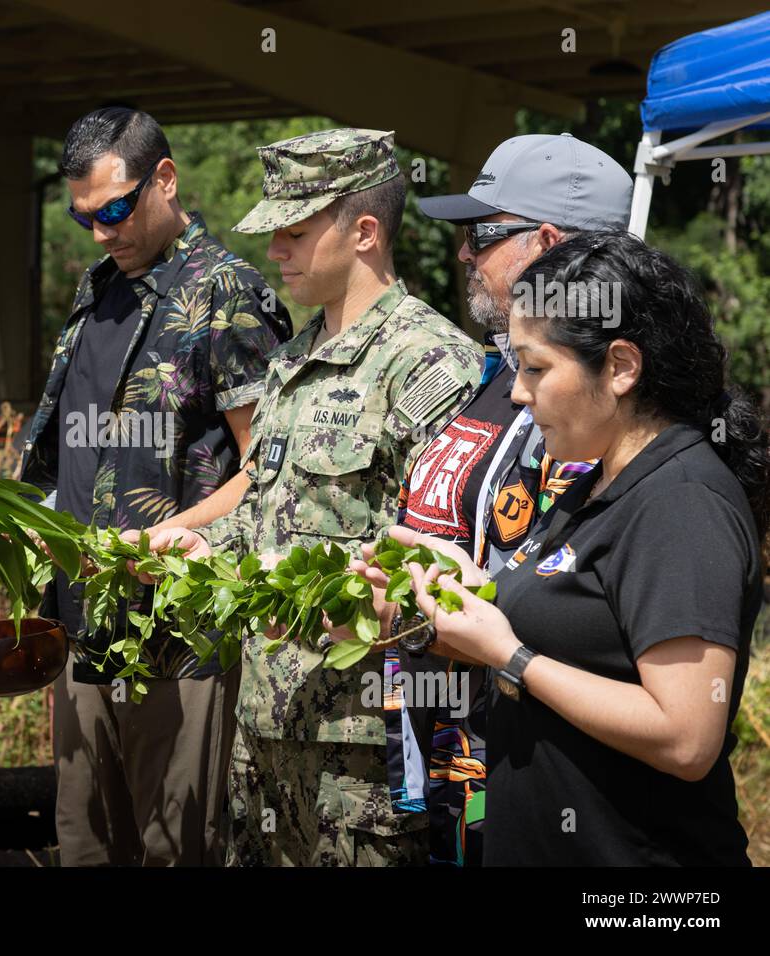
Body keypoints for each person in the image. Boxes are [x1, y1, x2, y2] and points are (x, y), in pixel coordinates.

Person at [361, 232, 765, 865]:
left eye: (536, 368)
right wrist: (448, 594)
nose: (518, 393)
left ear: (622, 367)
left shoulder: (681, 502)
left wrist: (510, 656)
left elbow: (686, 738)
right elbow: (567, 628)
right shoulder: (596, 481)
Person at [146, 129, 482, 866]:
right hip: (266, 721)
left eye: (294, 234)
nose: (276, 253)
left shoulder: (432, 366)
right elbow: (268, 505)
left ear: (364, 232)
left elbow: (450, 568)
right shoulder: (292, 361)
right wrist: (205, 545)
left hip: (363, 747)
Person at [18, 107, 291, 866]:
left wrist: (178, 535)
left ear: (164, 179)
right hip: (82, 621)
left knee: (176, 846)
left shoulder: (228, 293)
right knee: (84, 846)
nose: (103, 232)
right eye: (84, 219)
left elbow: (267, 470)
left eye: (115, 209)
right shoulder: (98, 287)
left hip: (175, 635)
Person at [394, 133, 632, 864]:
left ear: (548, 245)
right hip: (454, 767)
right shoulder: (500, 372)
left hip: (536, 786)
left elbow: (564, 593)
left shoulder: (599, 397)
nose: (464, 253)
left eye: (481, 234)